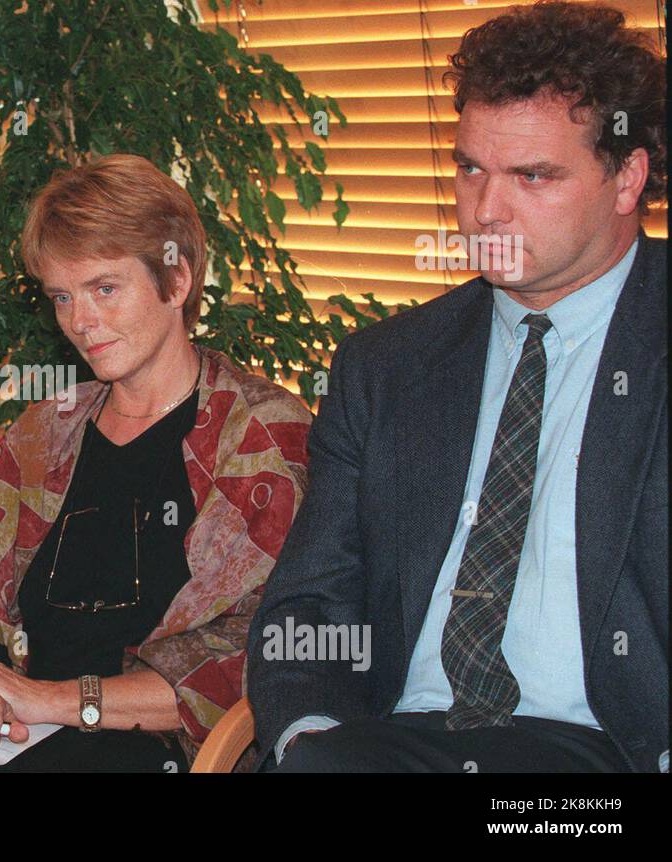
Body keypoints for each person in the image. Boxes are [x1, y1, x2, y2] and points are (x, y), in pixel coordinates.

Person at [247, 1, 667, 773]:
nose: (485, 210)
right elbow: (312, 604)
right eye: (470, 168)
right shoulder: (386, 367)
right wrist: (312, 736)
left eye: (532, 176)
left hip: (608, 756)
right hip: (395, 746)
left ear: (626, 177)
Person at [0, 153, 313, 772]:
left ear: (177, 280)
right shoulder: (45, 433)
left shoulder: (260, 436)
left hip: (154, 748)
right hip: (18, 734)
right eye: (62, 297)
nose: (80, 322)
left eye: (104, 289)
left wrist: (55, 700)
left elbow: (261, 651)